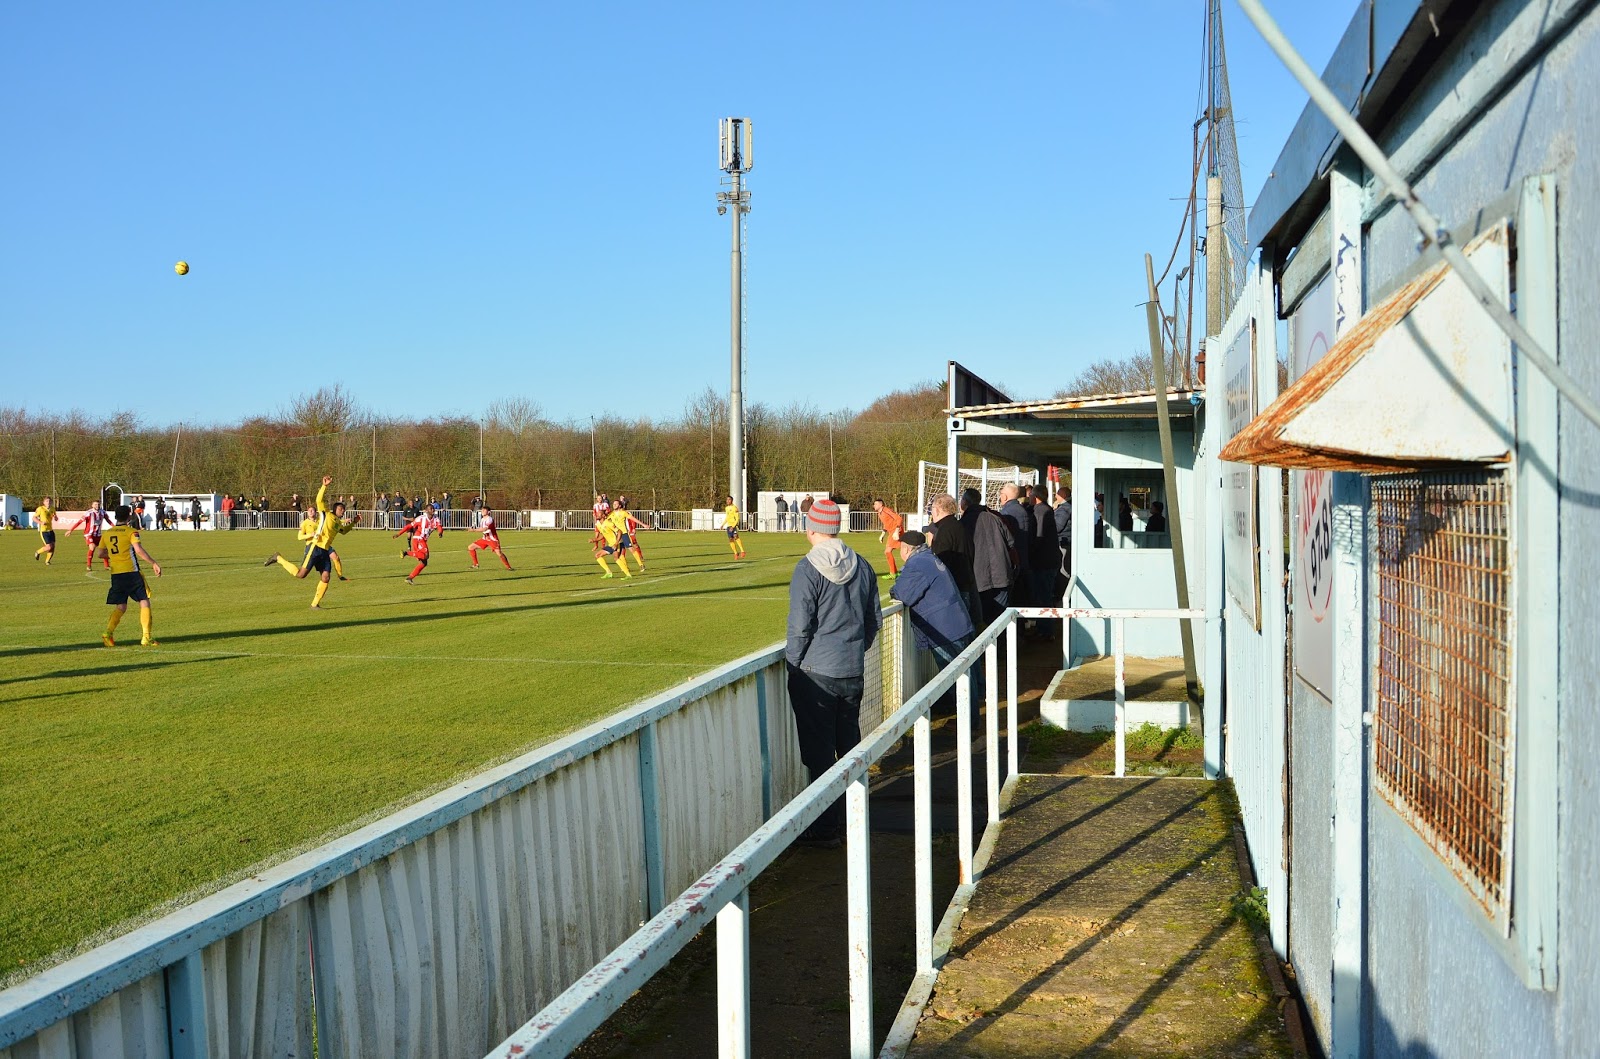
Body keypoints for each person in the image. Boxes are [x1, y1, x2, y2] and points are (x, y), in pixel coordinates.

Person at [785, 497, 880, 847]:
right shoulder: (864, 565)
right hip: (851, 669)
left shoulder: (807, 569)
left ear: (811, 529)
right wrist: (854, 650)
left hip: (816, 673)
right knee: (849, 748)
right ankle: (853, 821)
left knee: (819, 755)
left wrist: (794, 666)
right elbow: (874, 622)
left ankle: (825, 830)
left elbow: (799, 627)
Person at [890, 530, 976, 713]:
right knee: (964, 674)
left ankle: (968, 722)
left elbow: (902, 594)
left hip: (944, 628)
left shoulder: (917, 563)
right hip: (954, 622)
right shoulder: (929, 558)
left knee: (957, 676)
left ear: (905, 549)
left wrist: (893, 590)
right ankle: (968, 716)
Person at [266, 477, 359, 607]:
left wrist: (354, 522)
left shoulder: (338, 522)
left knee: (326, 577)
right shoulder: (325, 513)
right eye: (341, 509)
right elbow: (319, 500)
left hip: (325, 551)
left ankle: (315, 605)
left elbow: (344, 531)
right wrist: (324, 486)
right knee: (301, 574)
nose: (343, 511)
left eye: (344, 509)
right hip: (315, 548)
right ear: (335, 509)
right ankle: (278, 558)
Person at [98, 505, 162, 646]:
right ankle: (146, 637)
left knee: (121, 606)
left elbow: (100, 554)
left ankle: (107, 633)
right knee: (144, 601)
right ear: (128, 517)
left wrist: (115, 555)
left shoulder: (107, 533)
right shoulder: (132, 532)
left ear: (116, 516)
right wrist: (153, 563)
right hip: (132, 573)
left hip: (116, 574)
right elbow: (138, 550)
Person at [959, 487, 1017, 628]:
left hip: (980, 579)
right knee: (1000, 619)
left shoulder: (963, 523)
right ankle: (1003, 648)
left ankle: (991, 649)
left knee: (983, 620)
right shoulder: (995, 518)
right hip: (1002, 575)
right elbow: (1011, 543)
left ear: (965, 503)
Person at [927, 493, 980, 630]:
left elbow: (940, 562)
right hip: (965, 584)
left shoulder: (945, 530)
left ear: (938, 509)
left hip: (954, 589)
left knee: (957, 633)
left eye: (932, 508)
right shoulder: (959, 526)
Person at [997, 483, 1033, 604]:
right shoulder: (1022, 509)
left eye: (1001, 494)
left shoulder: (1007, 513)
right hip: (1024, 559)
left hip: (1015, 562)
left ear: (1005, 497)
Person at [393, 502, 442, 584]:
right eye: (431, 509)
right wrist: (399, 533)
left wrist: (440, 532)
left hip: (423, 540)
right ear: (426, 511)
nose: (433, 510)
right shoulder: (421, 518)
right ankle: (406, 553)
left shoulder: (436, 519)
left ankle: (410, 578)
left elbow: (439, 527)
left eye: (433, 508)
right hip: (418, 539)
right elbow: (409, 526)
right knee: (426, 555)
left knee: (424, 563)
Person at [65, 500, 113, 572]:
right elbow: (79, 522)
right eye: (95, 504)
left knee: (104, 549)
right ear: (92, 505)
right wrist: (70, 530)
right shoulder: (88, 513)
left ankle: (106, 566)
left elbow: (108, 520)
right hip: (89, 534)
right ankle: (89, 565)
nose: (97, 506)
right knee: (92, 547)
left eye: (98, 504)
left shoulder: (103, 512)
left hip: (98, 534)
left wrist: (114, 527)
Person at [593, 507, 635, 579]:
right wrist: (595, 540)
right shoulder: (599, 525)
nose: (597, 515)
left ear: (603, 516)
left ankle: (628, 575)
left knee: (616, 558)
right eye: (597, 514)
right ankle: (609, 572)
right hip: (610, 544)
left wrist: (616, 543)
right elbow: (603, 535)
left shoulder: (608, 523)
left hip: (616, 543)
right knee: (597, 555)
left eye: (599, 514)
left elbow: (619, 531)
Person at [872, 498, 904, 579]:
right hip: (892, 532)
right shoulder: (879, 513)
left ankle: (893, 573)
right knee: (903, 549)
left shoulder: (886, 510)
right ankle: (895, 572)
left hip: (896, 531)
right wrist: (882, 534)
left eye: (875, 504)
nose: (874, 506)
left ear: (880, 504)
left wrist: (896, 531)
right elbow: (887, 524)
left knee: (888, 551)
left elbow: (899, 518)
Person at [613, 501, 647, 570]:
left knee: (631, 548)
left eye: (616, 504)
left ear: (619, 506)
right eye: (613, 504)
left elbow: (633, 519)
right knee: (620, 551)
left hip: (624, 533)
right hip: (616, 535)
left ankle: (641, 564)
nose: (614, 505)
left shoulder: (624, 513)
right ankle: (625, 567)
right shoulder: (611, 514)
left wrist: (643, 524)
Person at [33, 498, 57, 564]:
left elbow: (56, 518)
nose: (48, 502)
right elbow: (34, 518)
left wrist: (55, 518)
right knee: (48, 547)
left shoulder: (52, 509)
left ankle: (47, 561)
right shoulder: (40, 509)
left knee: (53, 546)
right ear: (44, 502)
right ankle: (38, 552)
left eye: (49, 501)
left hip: (51, 530)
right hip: (44, 531)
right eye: (47, 501)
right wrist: (40, 522)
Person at [722, 495, 746, 559]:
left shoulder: (735, 508)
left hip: (734, 525)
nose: (727, 501)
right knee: (731, 539)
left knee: (736, 537)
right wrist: (723, 524)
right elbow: (727, 517)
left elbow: (737, 518)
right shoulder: (726, 508)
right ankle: (735, 553)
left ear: (732, 500)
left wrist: (733, 526)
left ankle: (742, 551)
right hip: (728, 526)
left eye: (729, 500)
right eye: (727, 500)